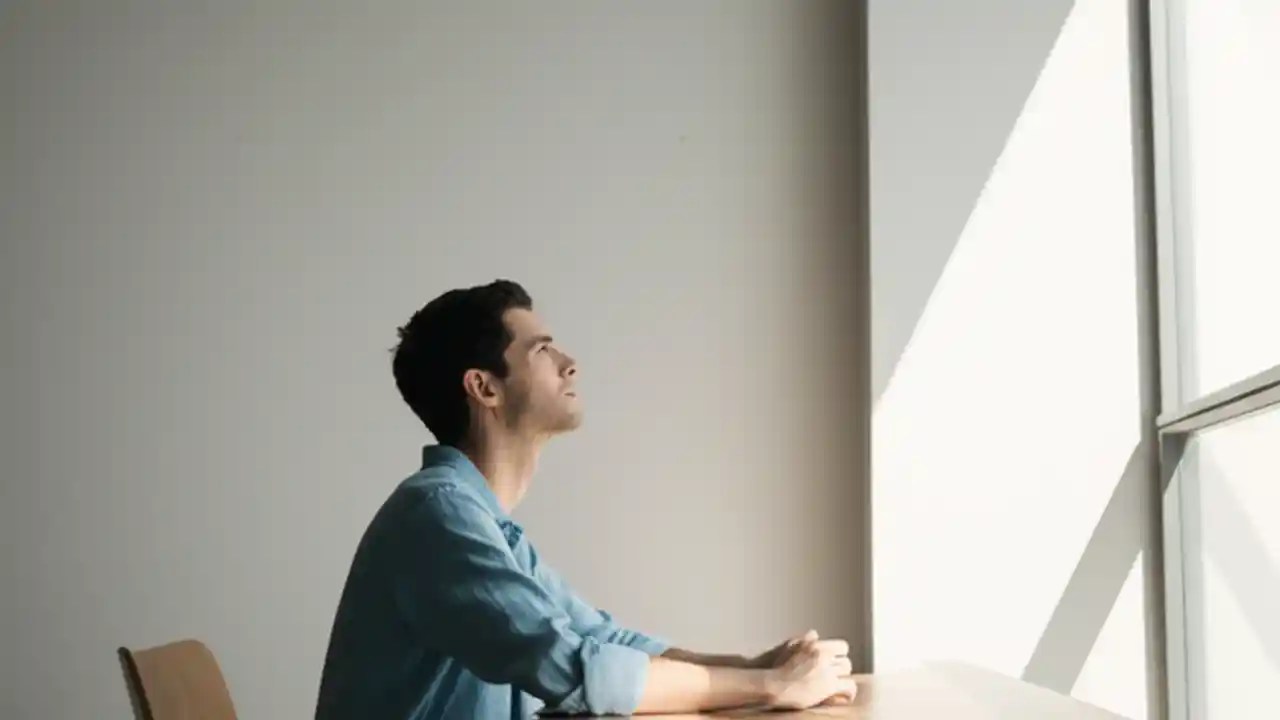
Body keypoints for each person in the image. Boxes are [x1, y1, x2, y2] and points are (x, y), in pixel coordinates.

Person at [316, 280, 857, 718]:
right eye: (542, 350)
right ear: (484, 388)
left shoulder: (477, 521)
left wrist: (749, 667)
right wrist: (766, 685)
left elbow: (597, 635)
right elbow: (573, 669)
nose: (569, 362)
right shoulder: (438, 517)